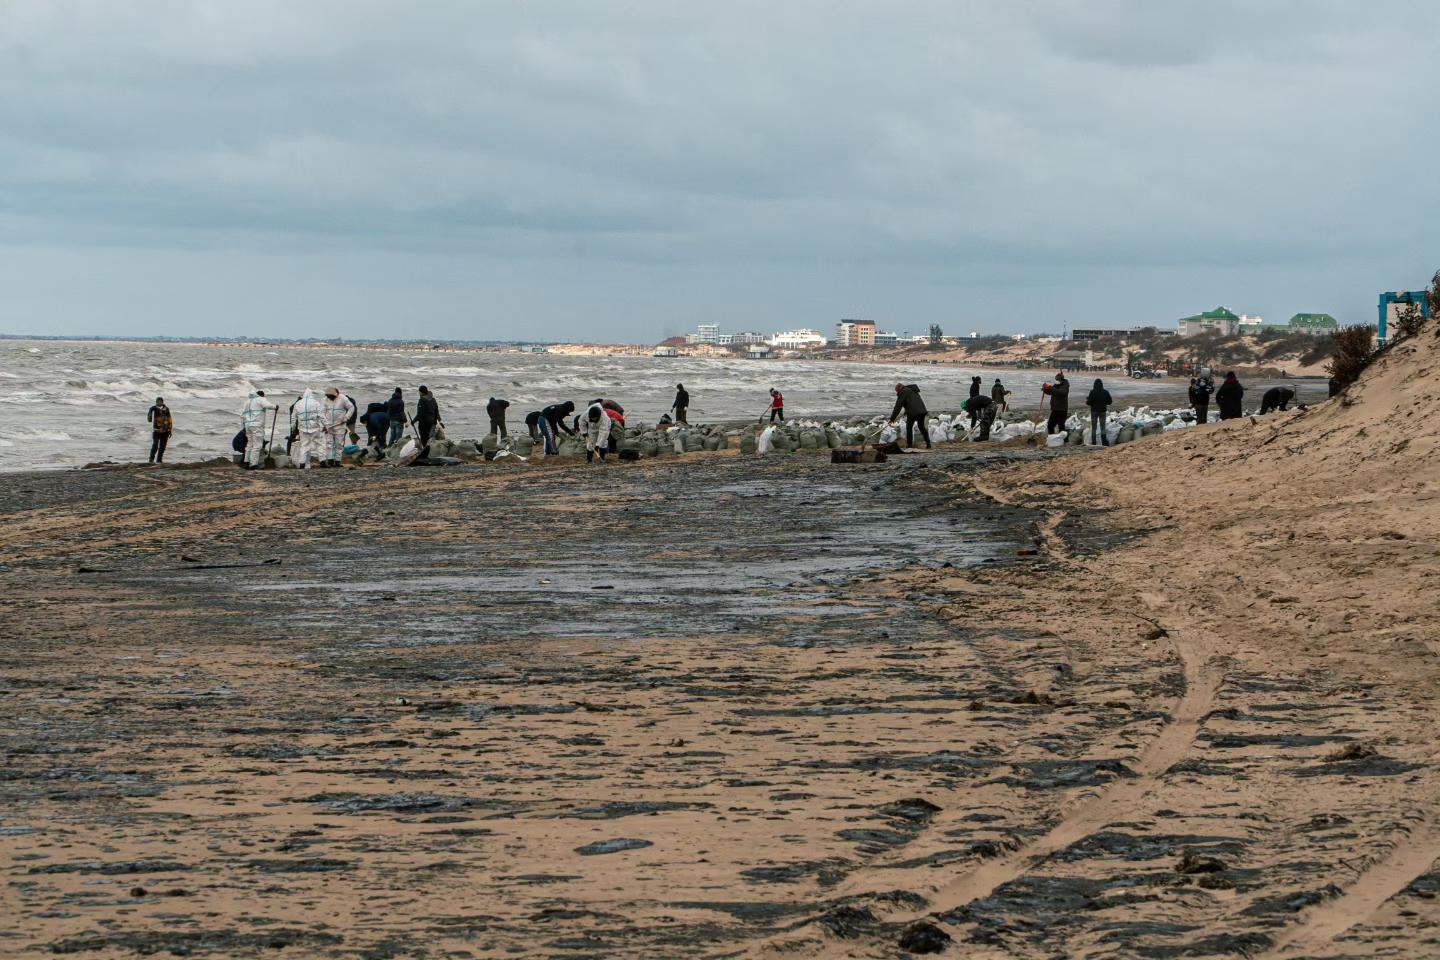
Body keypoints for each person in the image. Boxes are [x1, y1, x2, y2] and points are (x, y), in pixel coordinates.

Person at [240, 390, 277, 468]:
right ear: (262, 395)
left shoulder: (247, 402)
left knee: (250, 444)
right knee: (257, 445)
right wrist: (275, 407)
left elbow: (242, 415)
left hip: (248, 425)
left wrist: (243, 426)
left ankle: (246, 462)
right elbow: (268, 405)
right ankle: (253, 464)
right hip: (257, 425)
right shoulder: (260, 399)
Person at [290, 388, 325, 469]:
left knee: (304, 445)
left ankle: (302, 463)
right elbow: (321, 415)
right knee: (319, 444)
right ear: (311, 395)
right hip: (314, 426)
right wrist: (325, 425)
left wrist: (293, 428)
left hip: (302, 427)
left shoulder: (298, 403)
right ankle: (322, 461)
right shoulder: (316, 403)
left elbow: (293, 417)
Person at [889, 382, 931, 449]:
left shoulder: (903, 392)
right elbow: (912, 402)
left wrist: (892, 418)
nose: (897, 393)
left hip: (913, 413)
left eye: (897, 391)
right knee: (922, 427)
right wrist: (906, 411)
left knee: (909, 428)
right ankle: (928, 444)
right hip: (922, 411)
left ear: (900, 388)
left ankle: (909, 445)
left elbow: (898, 406)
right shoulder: (912, 390)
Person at [322, 386, 355, 465]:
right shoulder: (325, 400)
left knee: (339, 443)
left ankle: (337, 461)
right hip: (328, 425)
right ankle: (330, 460)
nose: (329, 398)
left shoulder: (343, 398)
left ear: (335, 395)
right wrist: (323, 424)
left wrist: (346, 417)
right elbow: (322, 412)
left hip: (340, 425)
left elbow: (351, 408)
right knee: (329, 443)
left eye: (331, 396)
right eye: (328, 396)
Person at [1085, 378, 1113, 447]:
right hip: (1102, 411)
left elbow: (1089, 403)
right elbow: (1110, 401)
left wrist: (1087, 400)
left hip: (1094, 411)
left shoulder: (1092, 392)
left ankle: (1094, 442)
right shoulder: (1105, 392)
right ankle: (1104, 442)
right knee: (1102, 427)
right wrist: (1104, 402)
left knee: (1094, 427)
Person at [146, 397, 172, 464]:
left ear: (163, 402)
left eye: (160, 402)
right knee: (155, 445)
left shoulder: (166, 409)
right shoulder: (154, 409)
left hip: (165, 431)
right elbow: (149, 420)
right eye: (158, 402)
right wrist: (150, 411)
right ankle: (151, 459)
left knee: (162, 447)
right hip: (157, 431)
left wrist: (170, 430)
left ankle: (159, 460)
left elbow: (170, 420)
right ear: (156, 402)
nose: (159, 403)